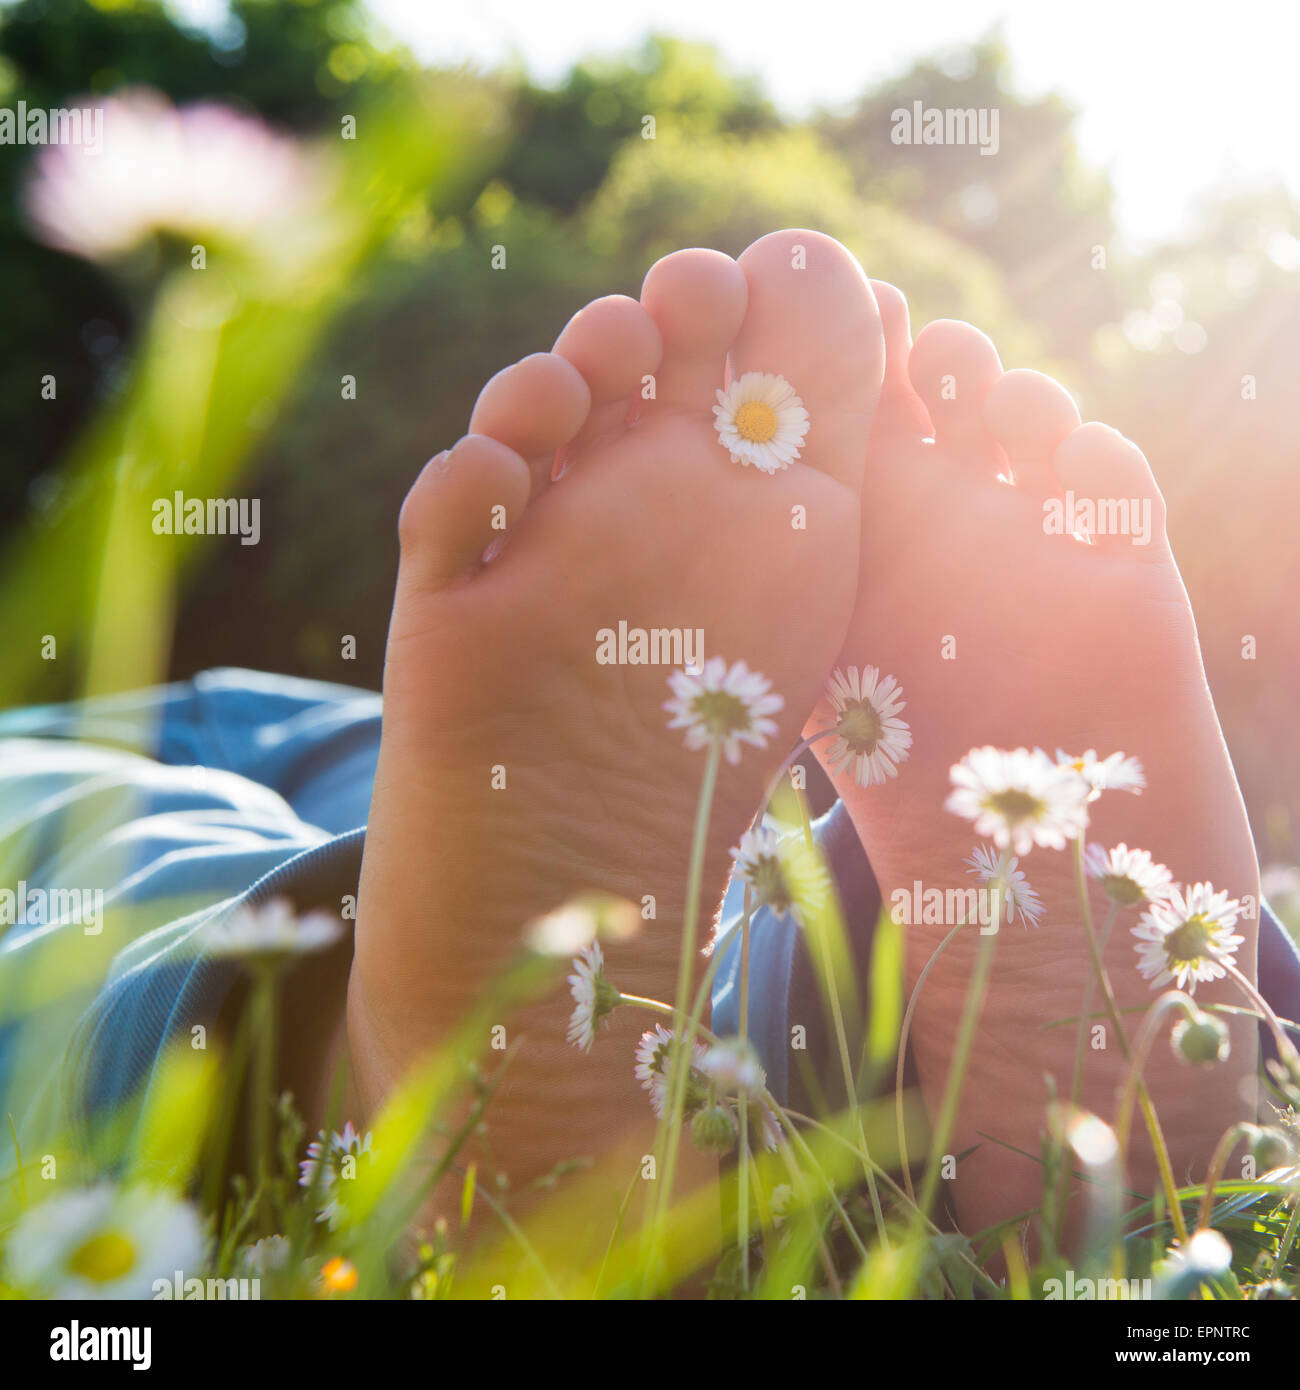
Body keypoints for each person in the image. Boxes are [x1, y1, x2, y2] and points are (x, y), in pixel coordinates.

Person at [2, 230, 1295, 1275]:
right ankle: (909, 1044)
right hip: (184, 740)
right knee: (119, 828)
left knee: (341, 841)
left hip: (323, 739)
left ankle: (426, 1071)